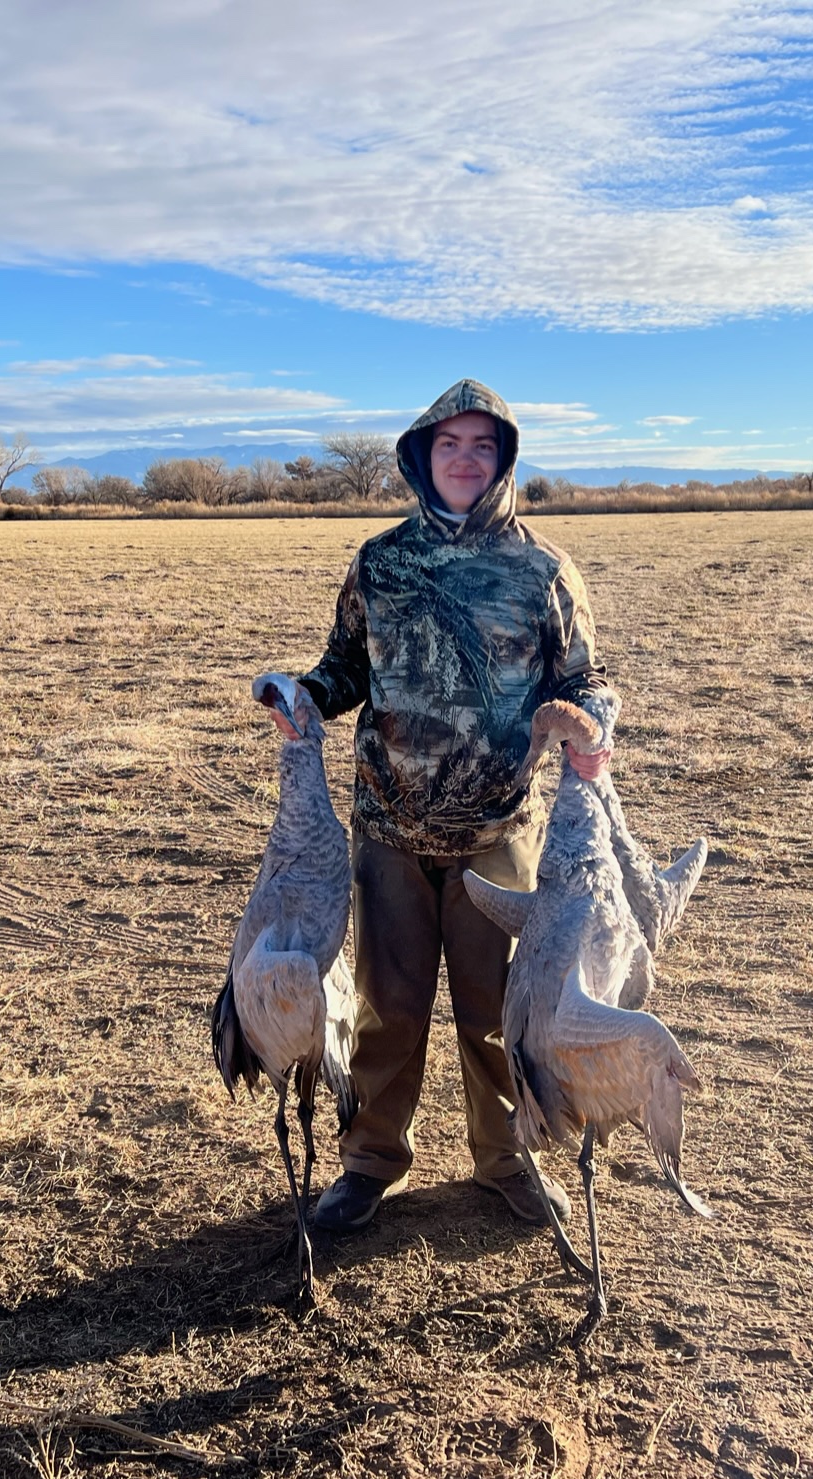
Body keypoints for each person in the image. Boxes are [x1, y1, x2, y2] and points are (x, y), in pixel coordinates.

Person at [256, 379, 615, 1235]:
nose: (464, 459)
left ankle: (510, 1158)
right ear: (421, 456)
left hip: (499, 827)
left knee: (501, 1011)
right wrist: (300, 695)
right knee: (389, 1005)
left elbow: (583, 679)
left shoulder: (542, 569)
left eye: (481, 447)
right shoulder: (380, 562)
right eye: (448, 444)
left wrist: (591, 720)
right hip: (387, 827)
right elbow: (346, 667)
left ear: (503, 461)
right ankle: (372, 1160)